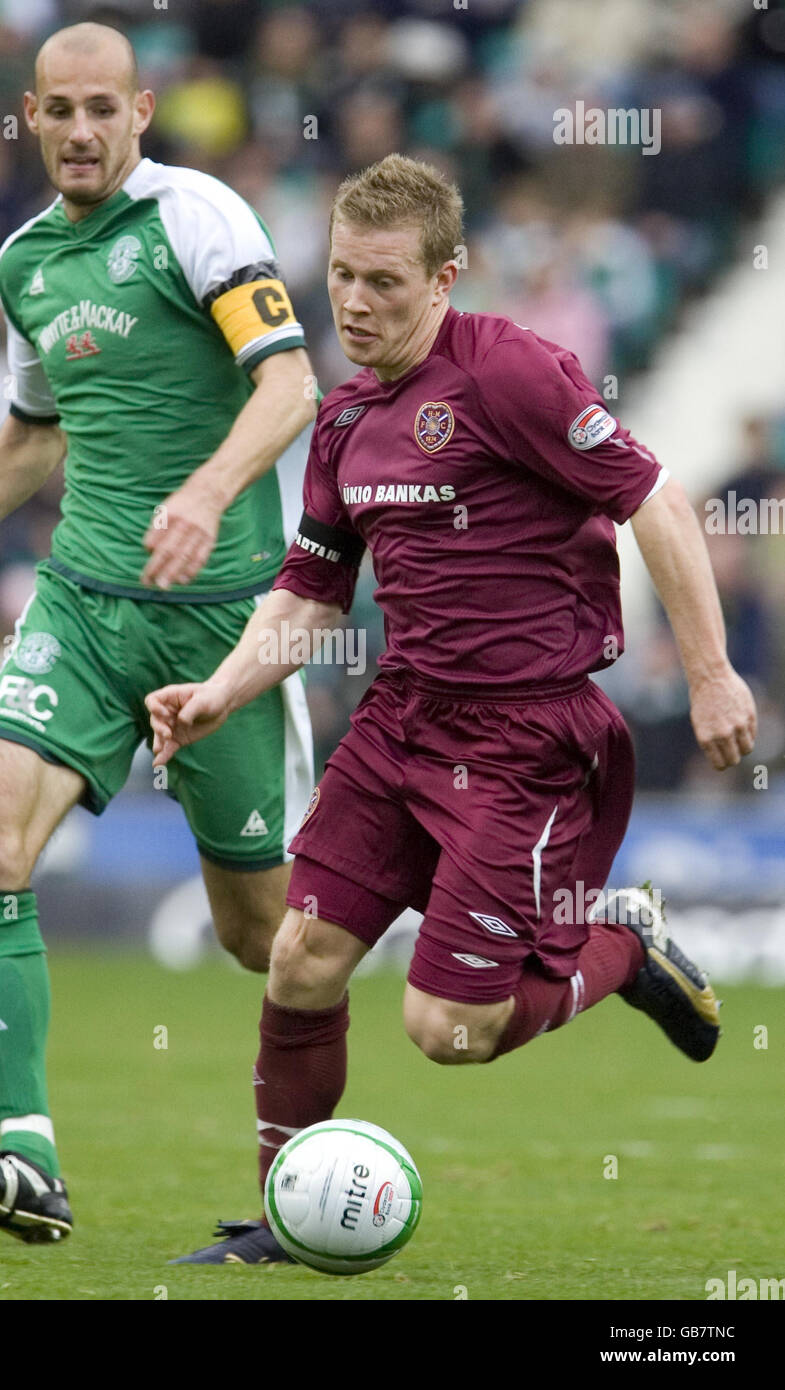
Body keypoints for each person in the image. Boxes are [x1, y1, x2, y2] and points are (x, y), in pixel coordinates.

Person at [146, 153, 757, 1264]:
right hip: (403, 717)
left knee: (449, 1032)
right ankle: (288, 1220)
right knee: (299, 959)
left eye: (384, 280)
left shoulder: (515, 374)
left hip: (527, 735)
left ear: (445, 278)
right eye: (341, 276)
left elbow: (656, 498)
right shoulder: (340, 423)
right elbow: (310, 590)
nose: (357, 302)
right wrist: (220, 692)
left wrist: (710, 669)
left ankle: (621, 938)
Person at [0, 21, 317, 1244]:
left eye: (100, 109)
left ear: (142, 111)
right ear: (29, 114)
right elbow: (34, 432)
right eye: (56, 109)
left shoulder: (200, 219)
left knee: (262, 937)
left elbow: (291, 385)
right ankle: (30, 1161)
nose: (78, 130)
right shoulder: (24, 265)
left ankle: (533, 942)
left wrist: (208, 492)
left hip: (220, 624)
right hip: (81, 604)